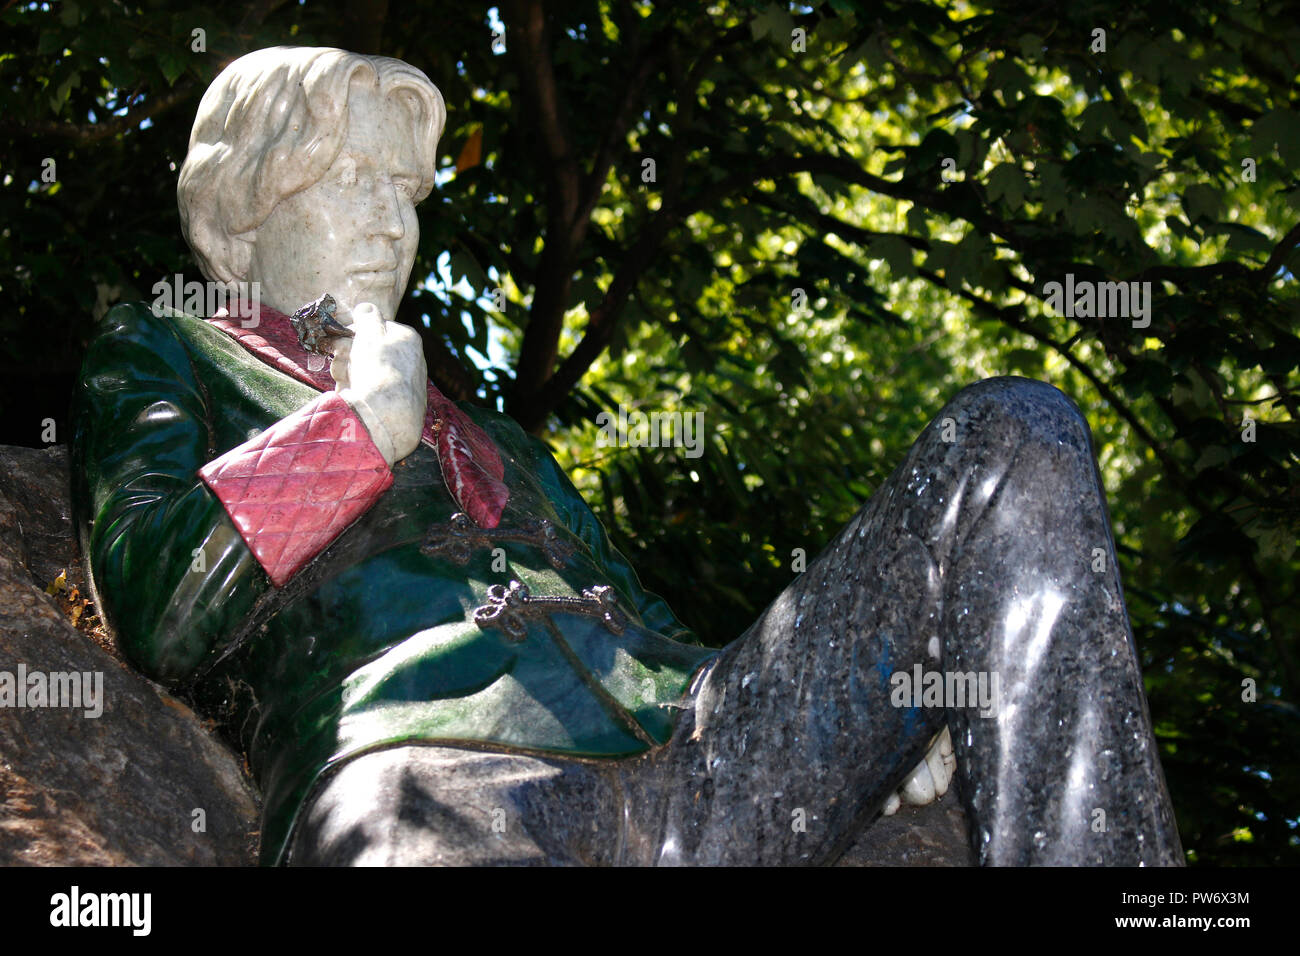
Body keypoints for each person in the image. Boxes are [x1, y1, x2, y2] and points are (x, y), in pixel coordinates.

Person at [72, 46, 1183, 866]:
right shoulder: (165, 349)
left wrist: (882, 723)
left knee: (1009, 439)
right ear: (239, 213)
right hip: (441, 783)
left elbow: (652, 624)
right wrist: (351, 434)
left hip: (696, 752)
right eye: (345, 179)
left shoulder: (496, 436)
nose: (388, 222)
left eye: (401, 191)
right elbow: (156, 593)